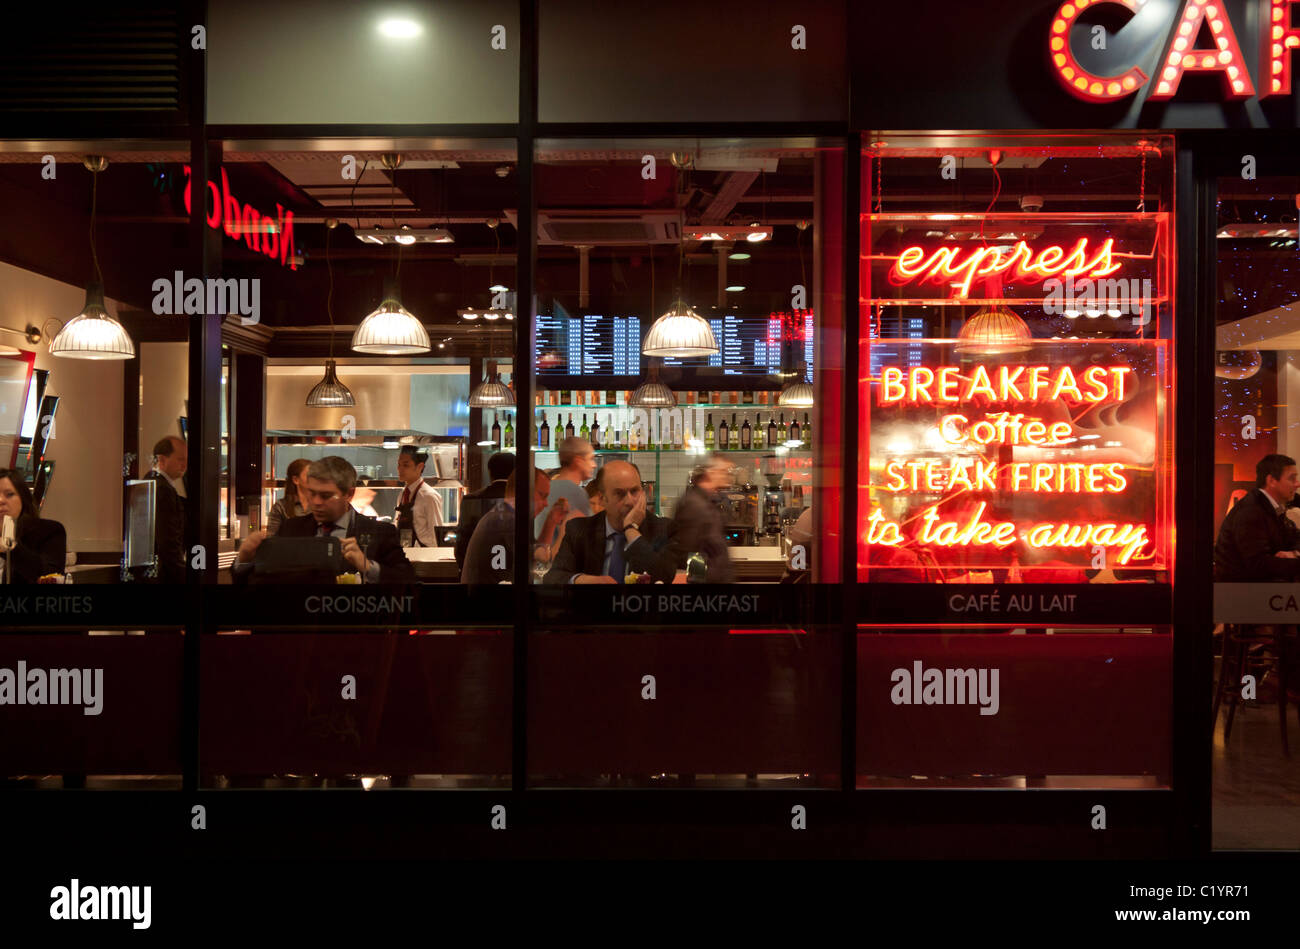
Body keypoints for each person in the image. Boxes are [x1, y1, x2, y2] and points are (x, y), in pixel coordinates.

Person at [234, 456, 414, 584]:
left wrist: (367, 566)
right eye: (312, 493)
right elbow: (261, 582)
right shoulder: (292, 529)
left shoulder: (379, 533)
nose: (316, 502)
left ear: (349, 494)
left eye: (326, 496)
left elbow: (407, 581)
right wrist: (244, 558)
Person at [544, 460, 683, 584]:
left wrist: (631, 530)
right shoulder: (580, 530)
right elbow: (553, 577)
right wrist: (584, 580)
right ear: (601, 499)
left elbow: (663, 576)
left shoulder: (663, 529)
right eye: (620, 494)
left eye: (634, 491)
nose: (629, 501)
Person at [462, 467, 567, 583]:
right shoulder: (508, 520)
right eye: (542, 495)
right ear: (523, 491)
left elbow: (536, 559)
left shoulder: (504, 515)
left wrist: (551, 521)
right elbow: (543, 558)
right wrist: (563, 528)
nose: (546, 503)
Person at [1214, 453, 1300, 581]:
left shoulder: (1271, 506)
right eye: (1292, 478)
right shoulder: (1250, 512)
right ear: (1271, 481)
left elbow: (1296, 538)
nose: (1297, 484)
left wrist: (1295, 553)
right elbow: (1259, 565)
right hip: (1243, 591)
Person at [671, 453, 735, 582]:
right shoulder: (694, 505)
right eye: (723, 471)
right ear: (710, 472)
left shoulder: (707, 501)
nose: (728, 475)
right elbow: (691, 552)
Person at [0, 468, 66, 583]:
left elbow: (50, 574)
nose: (1, 500)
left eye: (9, 494)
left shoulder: (48, 531)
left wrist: (12, 548)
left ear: (23, 498)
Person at [455, 451, 515, 571]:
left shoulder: (470, 499)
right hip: (512, 573)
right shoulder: (522, 499)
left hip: (476, 570)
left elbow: (462, 544)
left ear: (490, 473)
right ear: (515, 473)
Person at [145, 435, 187, 583]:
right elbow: (168, 543)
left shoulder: (147, 483)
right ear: (162, 460)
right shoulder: (163, 490)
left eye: (186, 460)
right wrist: (183, 576)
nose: (184, 465)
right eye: (180, 459)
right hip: (163, 577)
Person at [534, 436, 594, 539]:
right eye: (591, 459)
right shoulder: (576, 493)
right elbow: (589, 536)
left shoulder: (549, 487)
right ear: (578, 461)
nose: (594, 465)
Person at [394, 446, 444, 547]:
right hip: (404, 552)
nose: (400, 469)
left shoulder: (429, 496)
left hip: (423, 554)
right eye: (399, 464)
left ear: (420, 467)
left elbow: (436, 536)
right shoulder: (402, 494)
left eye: (405, 465)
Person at [266, 458, 310, 535]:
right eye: (309, 476)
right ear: (296, 480)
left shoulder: (319, 504)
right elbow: (271, 538)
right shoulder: (281, 506)